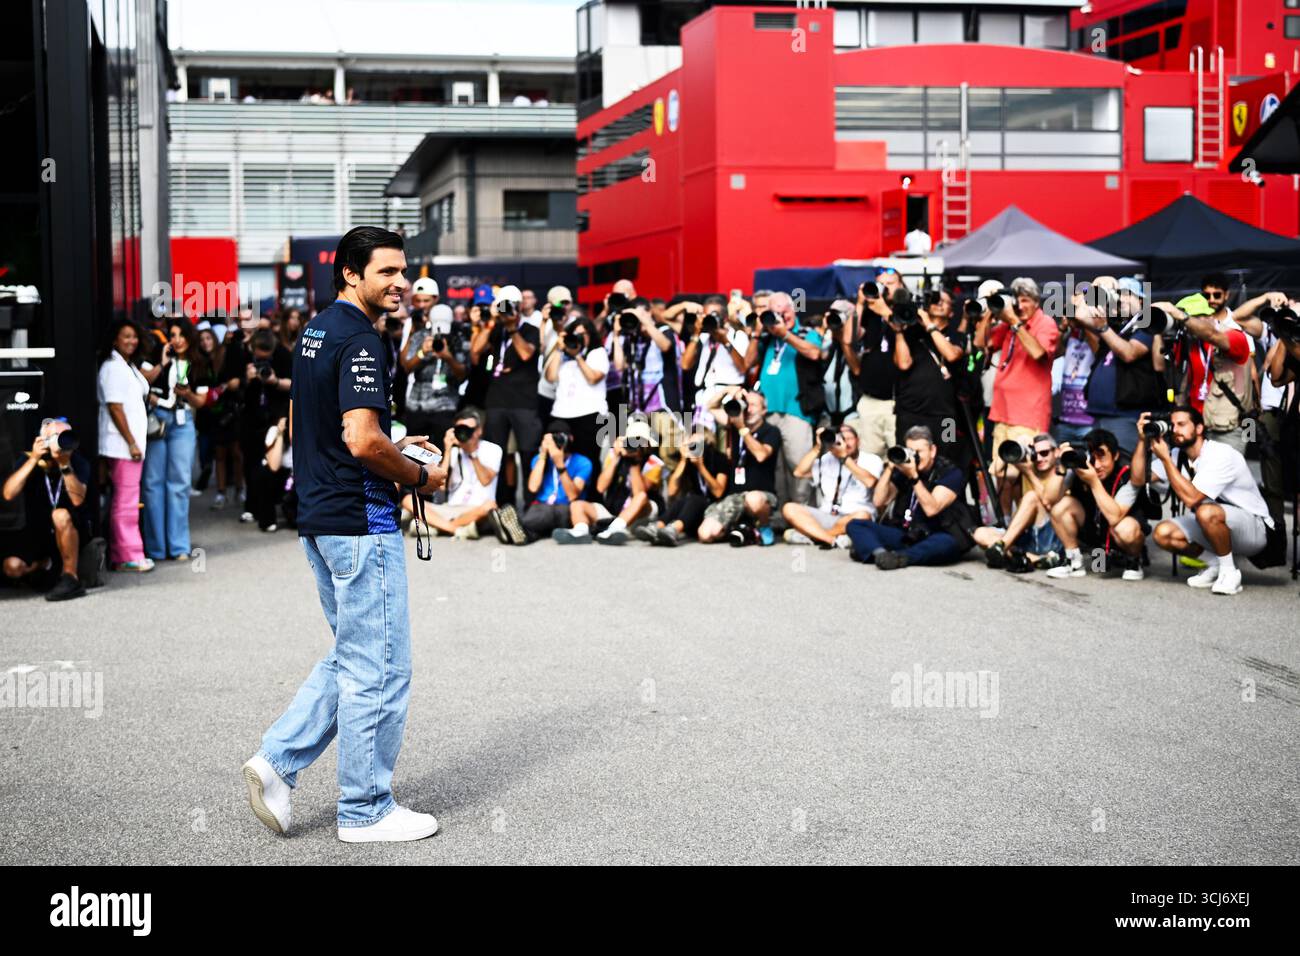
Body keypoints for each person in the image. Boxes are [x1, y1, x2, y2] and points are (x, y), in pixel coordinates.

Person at [243, 226, 448, 844]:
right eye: (387, 272)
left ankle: (277, 762)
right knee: (381, 667)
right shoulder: (361, 337)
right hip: (360, 523)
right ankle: (365, 809)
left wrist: (394, 441)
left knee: (355, 656)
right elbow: (359, 440)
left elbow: (319, 425)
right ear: (351, 274)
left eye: (403, 271)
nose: (401, 282)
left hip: (321, 516)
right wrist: (420, 474)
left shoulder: (316, 330)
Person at [1130, 407, 1274, 596]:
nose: (1175, 430)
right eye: (1172, 425)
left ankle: (1229, 572)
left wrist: (1165, 459)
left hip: (1254, 529)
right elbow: (1138, 479)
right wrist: (1142, 440)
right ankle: (1214, 564)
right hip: (1216, 523)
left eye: (1181, 424)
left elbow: (1192, 498)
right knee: (1163, 533)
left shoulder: (1220, 454)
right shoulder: (1177, 455)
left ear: (1199, 428)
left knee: (1205, 511)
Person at [976, 278, 1060, 514]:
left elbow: (1037, 353)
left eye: (1025, 301)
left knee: (1024, 474)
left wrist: (1014, 321)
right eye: (1017, 301)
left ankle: (1032, 524)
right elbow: (980, 343)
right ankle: (1006, 523)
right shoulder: (1008, 324)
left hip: (1028, 415)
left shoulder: (1045, 323)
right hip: (1002, 412)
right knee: (1002, 474)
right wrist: (991, 310)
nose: (1020, 306)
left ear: (1036, 302)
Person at [844, 425, 970, 569]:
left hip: (934, 534)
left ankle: (897, 556)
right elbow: (879, 501)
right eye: (910, 451)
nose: (914, 456)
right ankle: (880, 554)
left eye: (919, 452)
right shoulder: (904, 469)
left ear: (932, 450)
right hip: (905, 533)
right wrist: (890, 468)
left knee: (947, 544)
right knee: (855, 525)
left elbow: (932, 509)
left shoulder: (949, 472)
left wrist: (914, 477)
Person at [1, 418, 96, 600]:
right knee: (12, 567)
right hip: (40, 532)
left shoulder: (77, 460)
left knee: (59, 515)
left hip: (72, 529)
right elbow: (8, 493)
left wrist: (64, 465)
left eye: (66, 436)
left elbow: (77, 500)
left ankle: (71, 577)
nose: (62, 442)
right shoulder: (31, 459)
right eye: (56, 437)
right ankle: (43, 565)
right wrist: (34, 459)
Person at [140, 319, 209, 561]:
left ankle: (179, 546)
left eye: (181, 335)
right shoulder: (156, 354)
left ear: (189, 337)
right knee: (153, 483)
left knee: (179, 483)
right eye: (173, 335)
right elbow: (143, 381)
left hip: (183, 421)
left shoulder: (199, 362)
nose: (177, 340)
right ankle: (156, 548)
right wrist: (162, 363)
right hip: (156, 420)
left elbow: (201, 401)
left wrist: (187, 393)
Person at [745, 291, 822, 505]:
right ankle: (779, 514)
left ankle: (802, 511)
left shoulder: (805, 332)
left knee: (798, 464)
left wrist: (786, 334)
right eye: (775, 312)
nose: (781, 316)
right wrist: (757, 334)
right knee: (775, 468)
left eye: (784, 311)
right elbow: (747, 363)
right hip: (768, 412)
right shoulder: (768, 338)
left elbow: (814, 353)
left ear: (793, 310)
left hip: (796, 411)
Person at [1043, 429, 1149, 580]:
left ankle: (1133, 561)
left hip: (1119, 536)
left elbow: (1114, 517)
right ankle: (1073, 561)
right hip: (1095, 538)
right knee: (1060, 507)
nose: (1097, 465)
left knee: (1125, 528)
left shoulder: (1127, 473)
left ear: (1115, 455)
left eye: (1102, 457)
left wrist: (1093, 482)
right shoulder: (1081, 467)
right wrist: (1062, 464)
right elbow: (1048, 500)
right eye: (1093, 458)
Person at [472, 284, 542, 507]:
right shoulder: (496, 329)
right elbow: (475, 351)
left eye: (510, 306)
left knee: (527, 453)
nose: (507, 310)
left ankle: (531, 505)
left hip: (524, 402)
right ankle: (503, 503)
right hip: (497, 400)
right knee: (498, 453)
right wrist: (492, 322)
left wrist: (512, 329)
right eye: (503, 306)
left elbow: (526, 354)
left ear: (519, 307)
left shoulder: (530, 329)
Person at [97, 319, 153, 572]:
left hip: (130, 444)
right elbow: (115, 407)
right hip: (122, 445)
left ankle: (127, 552)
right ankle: (126, 555)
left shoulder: (126, 365)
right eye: (126, 336)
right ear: (115, 339)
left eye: (134, 336)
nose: (132, 341)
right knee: (125, 501)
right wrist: (131, 442)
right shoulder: (112, 367)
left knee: (127, 499)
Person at [553, 419, 662, 545]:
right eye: (632, 440)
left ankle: (615, 529)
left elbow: (639, 493)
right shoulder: (616, 455)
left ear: (648, 444)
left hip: (640, 515)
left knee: (641, 496)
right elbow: (600, 487)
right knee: (577, 504)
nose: (635, 444)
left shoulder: (654, 463)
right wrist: (615, 458)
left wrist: (635, 463)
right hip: (613, 511)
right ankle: (580, 531)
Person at [226, 329, 293, 530]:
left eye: (267, 358)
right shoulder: (242, 354)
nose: (263, 361)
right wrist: (246, 379)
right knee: (251, 464)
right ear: (252, 349)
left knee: (271, 466)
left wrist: (274, 381)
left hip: (276, 416)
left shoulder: (283, 355)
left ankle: (270, 509)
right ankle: (252, 506)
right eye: (259, 358)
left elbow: (294, 384)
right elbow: (230, 384)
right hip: (250, 416)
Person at [697, 388, 782, 545]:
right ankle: (739, 530)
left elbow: (761, 455)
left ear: (764, 410)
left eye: (753, 405)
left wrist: (742, 429)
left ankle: (764, 526)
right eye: (746, 404)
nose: (748, 409)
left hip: (762, 495)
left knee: (753, 499)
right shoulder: (735, 424)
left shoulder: (771, 431)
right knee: (705, 534)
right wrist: (727, 390)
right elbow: (711, 406)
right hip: (735, 496)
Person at [973, 434, 1065, 572]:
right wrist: (1015, 446)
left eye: (1045, 453)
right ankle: (1034, 559)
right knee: (980, 533)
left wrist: (1028, 472)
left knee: (1031, 496)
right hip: (1025, 533)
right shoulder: (1030, 465)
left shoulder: (1061, 470)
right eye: (1036, 454)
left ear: (1056, 452)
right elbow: (995, 471)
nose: (1040, 458)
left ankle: (1004, 548)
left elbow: (1047, 501)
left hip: (1048, 533)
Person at [781, 422, 880, 548]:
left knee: (863, 516)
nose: (845, 443)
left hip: (853, 516)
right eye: (841, 439)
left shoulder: (871, 460)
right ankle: (831, 539)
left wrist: (845, 458)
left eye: (849, 439)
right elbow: (799, 472)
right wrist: (818, 447)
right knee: (789, 508)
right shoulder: (826, 459)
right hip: (827, 515)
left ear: (858, 441)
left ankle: (814, 536)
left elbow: (870, 482)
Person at [634, 425, 727, 546]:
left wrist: (701, 467)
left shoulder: (719, 458)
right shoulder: (687, 461)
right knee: (683, 500)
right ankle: (657, 527)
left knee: (695, 499)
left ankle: (674, 529)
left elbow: (718, 492)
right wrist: (683, 461)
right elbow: (671, 491)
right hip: (694, 510)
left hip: (715, 508)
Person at [422, 408, 502, 541]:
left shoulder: (493, 449)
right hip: (451, 508)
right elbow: (441, 486)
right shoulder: (454, 451)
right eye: (460, 429)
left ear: (479, 430)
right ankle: (455, 529)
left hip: (477, 510)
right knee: (408, 500)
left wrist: (472, 454)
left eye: (469, 429)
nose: (465, 433)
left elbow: (485, 480)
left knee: (491, 506)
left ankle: (437, 526)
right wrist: (447, 450)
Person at [844, 271, 901, 457]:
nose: (885, 288)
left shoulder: (907, 310)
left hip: (899, 401)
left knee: (899, 457)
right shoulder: (869, 314)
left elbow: (904, 329)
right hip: (871, 400)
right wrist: (860, 304)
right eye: (880, 284)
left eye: (890, 283)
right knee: (869, 458)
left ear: (901, 286)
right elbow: (849, 339)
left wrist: (884, 309)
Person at [544, 315, 609, 466]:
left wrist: (578, 356)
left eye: (582, 334)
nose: (578, 337)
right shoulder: (562, 356)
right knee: (559, 458)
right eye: (574, 334)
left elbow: (593, 378)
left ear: (590, 335)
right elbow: (550, 377)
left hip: (589, 415)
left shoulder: (597, 353)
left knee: (589, 460)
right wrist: (559, 349)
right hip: (561, 414)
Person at [517, 420, 594, 542]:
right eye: (553, 438)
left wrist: (560, 464)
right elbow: (532, 487)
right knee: (540, 512)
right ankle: (524, 533)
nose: (557, 442)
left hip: (567, 508)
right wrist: (543, 455)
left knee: (545, 514)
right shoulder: (539, 459)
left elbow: (573, 495)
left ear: (570, 438)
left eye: (560, 437)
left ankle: (521, 529)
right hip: (542, 506)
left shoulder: (583, 462)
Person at [401, 302, 466, 441]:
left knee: (442, 448)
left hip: (446, 404)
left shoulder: (458, 338)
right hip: (417, 403)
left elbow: (463, 374)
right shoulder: (420, 336)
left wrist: (448, 357)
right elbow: (406, 367)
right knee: (414, 449)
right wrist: (422, 353)